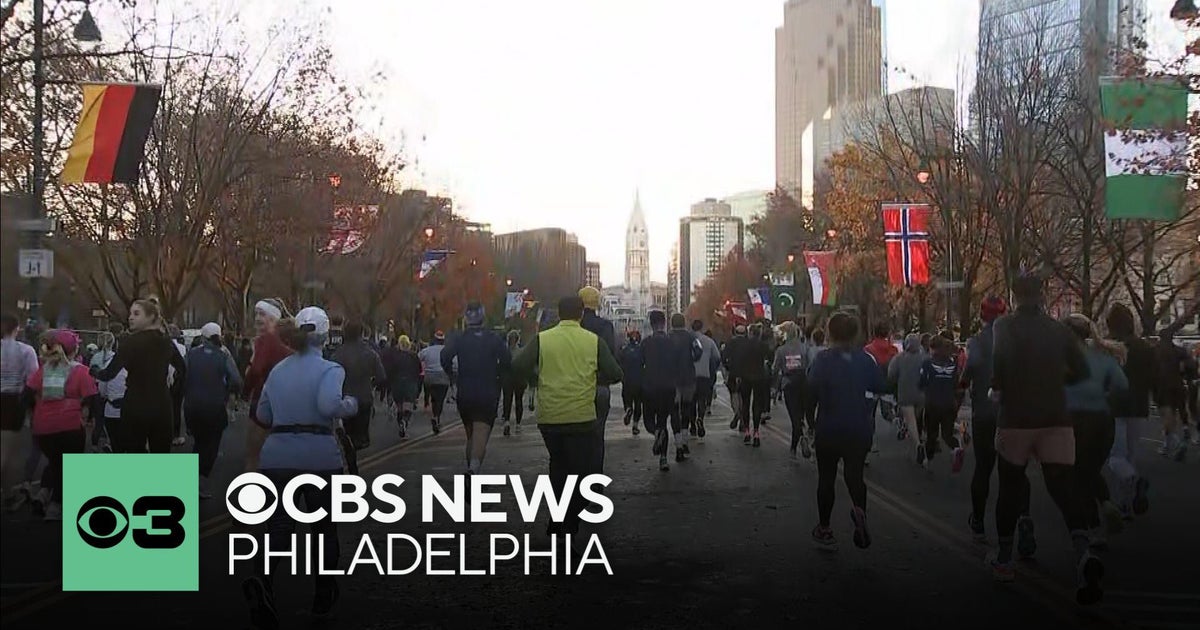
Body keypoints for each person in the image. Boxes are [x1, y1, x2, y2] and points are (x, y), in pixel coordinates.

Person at [243, 307, 358, 628]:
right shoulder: (330, 369)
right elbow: (328, 405)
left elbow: (263, 416)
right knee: (324, 530)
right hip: (319, 455)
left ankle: (262, 580)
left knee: (279, 527)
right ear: (325, 336)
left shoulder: (278, 371)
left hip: (278, 456)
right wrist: (351, 405)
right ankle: (323, 596)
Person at [990, 272, 1101, 605]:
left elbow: (1000, 363)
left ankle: (1006, 559)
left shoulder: (1003, 326)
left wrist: (1000, 386)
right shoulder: (1060, 330)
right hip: (1056, 418)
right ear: (1042, 296)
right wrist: (1054, 381)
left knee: (1010, 487)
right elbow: (1082, 371)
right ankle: (1083, 554)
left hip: (1016, 418)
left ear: (1013, 295)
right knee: (1064, 486)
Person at [511, 295, 621, 536]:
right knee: (582, 472)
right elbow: (615, 373)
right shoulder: (593, 341)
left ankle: (557, 517)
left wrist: (536, 378)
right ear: (581, 314)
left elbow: (518, 365)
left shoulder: (543, 340)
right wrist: (592, 378)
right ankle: (568, 522)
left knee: (558, 465)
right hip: (581, 415)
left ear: (559, 314)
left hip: (550, 417)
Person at [807, 313, 885, 551]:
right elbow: (879, 386)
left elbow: (810, 391)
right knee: (855, 475)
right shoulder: (866, 359)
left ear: (830, 333)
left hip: (829, 427)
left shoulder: (822, 360)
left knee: (826, 478)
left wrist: (809, 424)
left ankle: (825, 527)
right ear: (855, 333)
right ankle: (859, 511)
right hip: (858, 427)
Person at [964, 297, 1030, 543]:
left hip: (984, 412)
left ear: (982, 315)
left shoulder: (978, 341)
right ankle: (1023, 516)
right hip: (1014, 412)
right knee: (1016, 471)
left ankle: (979, 521)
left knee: (983, 468)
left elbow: (969, 369)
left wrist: (961, 386)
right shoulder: (1018, 341)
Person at [1062, 314, 1128, 549]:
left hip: (1075, 419)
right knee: (1090, 469)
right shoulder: (1103, 356)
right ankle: (1106, 503)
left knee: (1079, 474)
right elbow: (1121, 386)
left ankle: (1094, 523)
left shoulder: (1063, 359)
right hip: (1103, 420)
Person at [92, 299, 187, 454]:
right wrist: (173, 390)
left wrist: (94, 371)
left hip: (135, 404)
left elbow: (109, 373)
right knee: (161, 454)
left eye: (136, 314)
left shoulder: (130, 342)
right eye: (130, 313)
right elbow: (182, 368)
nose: (130, 317)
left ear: (150, 317)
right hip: (161, 404)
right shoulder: (165, 342)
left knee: (134, 452)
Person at [25, 330, 96, 520]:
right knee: (68, 466)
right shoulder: (80, 370)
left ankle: (43, 495)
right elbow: (91, 397)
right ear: (74, 349)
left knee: (55, 462)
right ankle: (56, 506)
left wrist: (33, 413)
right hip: (70, 426)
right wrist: (87, 415)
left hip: (43, 428)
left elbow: (27, 394)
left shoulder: (43, 370)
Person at [441, 302, 510, 474]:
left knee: (471, 436)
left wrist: (452, 375)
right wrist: (499, 377)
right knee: (481, 433)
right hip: (487, 391)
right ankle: (472, 471)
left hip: (465, 391)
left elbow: (445, 356)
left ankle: (473, 472)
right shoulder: (493, 339)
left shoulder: (460, 339)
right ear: (483, 317)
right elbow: (507, 360)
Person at [1104, 304, 1154, 518]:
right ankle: (1124, 502)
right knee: (1130, 454)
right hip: (1139, 405)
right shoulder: (1144, 348)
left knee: (1116, 457)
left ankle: (1133, 482)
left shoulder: (1109, 347)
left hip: (1115, 405)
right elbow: (1153, 376)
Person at [183, 323, 243, 499]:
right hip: (214, 406)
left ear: (202, 337)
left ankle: (192, 480)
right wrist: (226, 390)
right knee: (210, 445)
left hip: (192, 406)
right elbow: (237, 379)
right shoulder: (223, 355)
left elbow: (183, 376)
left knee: (198, 442)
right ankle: (198, 480)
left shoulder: (191, 354)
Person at [243, 298, 292, 471]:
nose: (257, 318)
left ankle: (251, 490)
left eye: (262, 314)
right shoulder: (286, 340)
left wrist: (245, 389)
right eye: (256, 314)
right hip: (285, 404)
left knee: (253, 454)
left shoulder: (266, 340)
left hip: (261, 400)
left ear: (273, 319)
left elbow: (256, 370)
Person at [641, 310, 689, 470]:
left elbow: (641, 365)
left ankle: (656, 433)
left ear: (651, 324)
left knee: (649, 421)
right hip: (669, 388)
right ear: (664, 323)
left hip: (650, 387)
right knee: (663, 421)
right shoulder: (672, 343)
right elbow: (679, 367)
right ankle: (663, 459)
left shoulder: (646, 343)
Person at [1, 315, 40, 505]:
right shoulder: (26, 351)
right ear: (17, 328)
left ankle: (8, 495)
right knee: (8, 452)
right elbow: (33, 380)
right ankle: (8, 496)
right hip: (12, 401)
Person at [331, 320, 386, 452]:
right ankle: (356, 448)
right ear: (361, 334)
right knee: (361, 437)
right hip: (364, 398)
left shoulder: (337, 354)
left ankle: (349, 446)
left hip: (345, 398)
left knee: (349, 431)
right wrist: (373, 385)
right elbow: (382, 377)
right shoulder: (370, 353)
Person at [579, 286, 617, 471]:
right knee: (597, 436)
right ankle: (595, 480)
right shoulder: (605, 327)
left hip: (575, 387)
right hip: (599, 385)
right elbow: (611, 354)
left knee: (576, 436)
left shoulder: (573, 327)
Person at [918, 335, 965, 472]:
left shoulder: (928, 363)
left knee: (932, 433)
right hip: (949, 403)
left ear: (933, 349)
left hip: (933, 403)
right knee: (947, 434)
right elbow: (956, 383)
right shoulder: (952, 363)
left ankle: (928, 460)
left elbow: (922, 382)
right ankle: (956, 448)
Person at [724, 322, 772, 446]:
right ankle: (756, 432)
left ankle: (747, 432)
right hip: (759, 377)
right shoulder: (763, 345)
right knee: (757, 405)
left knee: (745, 404)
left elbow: (739, 361)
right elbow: (770, 357)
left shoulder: (744, 345)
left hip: (745, 377)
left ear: (750, 333)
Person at [1153, 328, 1195, 462]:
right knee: (1179, 412)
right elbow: (1190, 365)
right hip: (1177, 385)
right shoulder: (1179, 351)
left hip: (1162, 387)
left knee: (1166, 415)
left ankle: (1174, 444)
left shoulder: (1155, 351)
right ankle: (1182, 432)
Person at [773, 321, 811, 458]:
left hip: (789, 383)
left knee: (794, 415)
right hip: (803, 382)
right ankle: (798, 442)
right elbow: (809, 365)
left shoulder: (781, 350)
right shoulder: (804, 348)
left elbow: (776, 369)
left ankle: (797, 443)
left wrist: (774, 388)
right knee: (800, 414)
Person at [888, 334, 926, 465]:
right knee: (916, 418)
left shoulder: (898, 358)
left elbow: (891, 375)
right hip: (922, 394)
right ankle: (912, 436)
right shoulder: (924, 358)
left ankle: (917, 444)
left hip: (905, 393)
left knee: (911, 422)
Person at [668, 313, 703, 454]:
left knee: (675, 410)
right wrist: (692, 360)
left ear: (672, 323)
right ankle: (685, 439)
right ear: (683, 323)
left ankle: (677, 443)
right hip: (688, 377)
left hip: (672, 379)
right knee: (687, 408)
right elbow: (698, 351)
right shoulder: (691, 337)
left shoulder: (667, 338)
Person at [383, 335, 422, 439]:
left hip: (397, 384)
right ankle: (405, 421)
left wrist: (389, 385)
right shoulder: (414, 356)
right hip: (410, 383)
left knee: (399, 406)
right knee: (408, 406)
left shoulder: (394, 357)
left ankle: (401, 422)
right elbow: (419, 371)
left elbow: (390, 371)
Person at [691, 319, 721, 435]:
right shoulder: (709, 341)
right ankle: (700, 419)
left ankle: (692, 424)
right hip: (704, 374)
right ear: (702, 328)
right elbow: (717, 357)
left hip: (691, 376)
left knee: (691, 402)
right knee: (702, 400)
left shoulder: (689, 341)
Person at [418, 331, 451, 433]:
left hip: (429, 377)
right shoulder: (447, 351)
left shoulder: (426, 350)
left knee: (433, 398)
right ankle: (437, 417)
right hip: (442, 377)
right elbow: (454, 363)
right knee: (440, 399)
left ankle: (434, 415)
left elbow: (418, 358)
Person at [500, 331, 527, 436]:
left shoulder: (505, 352)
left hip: (508, 380)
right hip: (519, 379)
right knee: (518, 401)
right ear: (517, 340)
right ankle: (518, 424)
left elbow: (501, 366)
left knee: (507, 400)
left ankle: (507, 421)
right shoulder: (521, 352)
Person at [619, 330, 645, 436]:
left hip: (627, 380)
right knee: (638, 403)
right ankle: (635, 425)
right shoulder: (641, 350)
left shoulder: (624, 350)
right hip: (639, 380)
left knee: (627, 399)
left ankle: (628, 409)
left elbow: (620, 363)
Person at [166, 324, 188, 447]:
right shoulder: (182, 348)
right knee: (176, 408)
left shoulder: (162, 346)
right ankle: (175, 435)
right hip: (178, 382)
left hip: (164, 381)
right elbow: (183, 367)